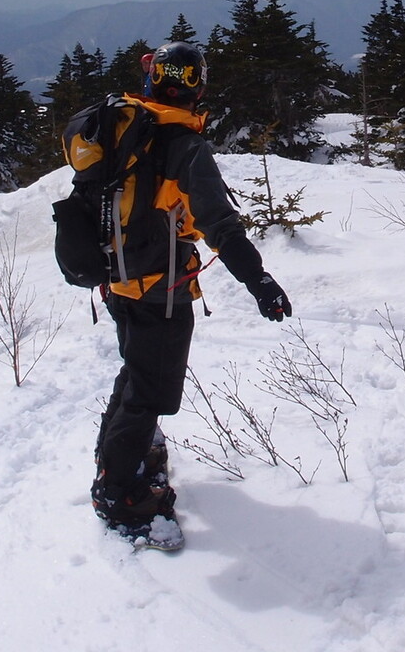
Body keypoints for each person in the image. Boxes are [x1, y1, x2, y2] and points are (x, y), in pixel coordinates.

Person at [89, 40, 293, 529]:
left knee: (137, 370)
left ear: (153, 79)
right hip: (160, 288)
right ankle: (119, 493)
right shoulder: (184, 146)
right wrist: (259, 279)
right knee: (151, 392)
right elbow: (221, 224)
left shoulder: (126, 124)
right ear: (198, 86)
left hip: (117, 278)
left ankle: (116, 454)